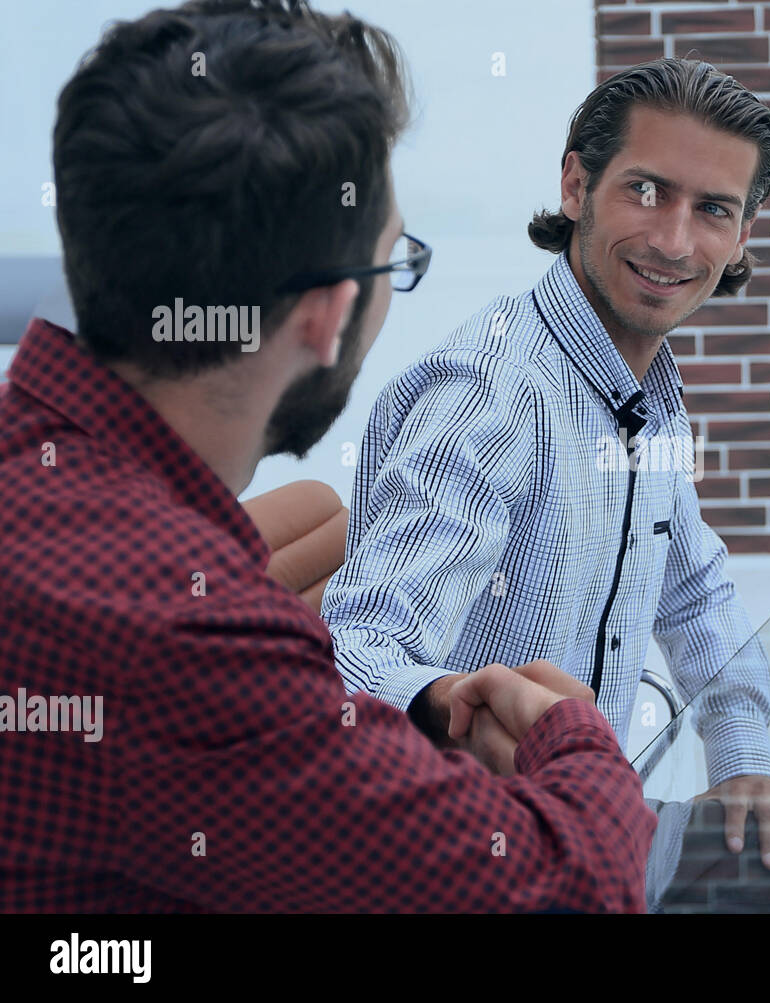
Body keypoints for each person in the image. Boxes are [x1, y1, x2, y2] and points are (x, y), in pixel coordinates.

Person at [0, 0, 654, 913]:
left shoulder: (37, 445)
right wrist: (574, 734)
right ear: (327, 314)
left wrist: (415, 708)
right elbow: (576, 887)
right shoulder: (193, 650)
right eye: (397, 264)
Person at [323, 57, 770, 870]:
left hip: (580, 834)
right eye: (646, 191)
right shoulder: (494, 395)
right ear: (576, 186)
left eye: (712, 209)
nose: (675, 240)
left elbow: (695, 590)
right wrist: (453, 714)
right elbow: (353, 650)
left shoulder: (643, 385)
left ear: (742, 234)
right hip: (466, 858)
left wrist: (744, 754)